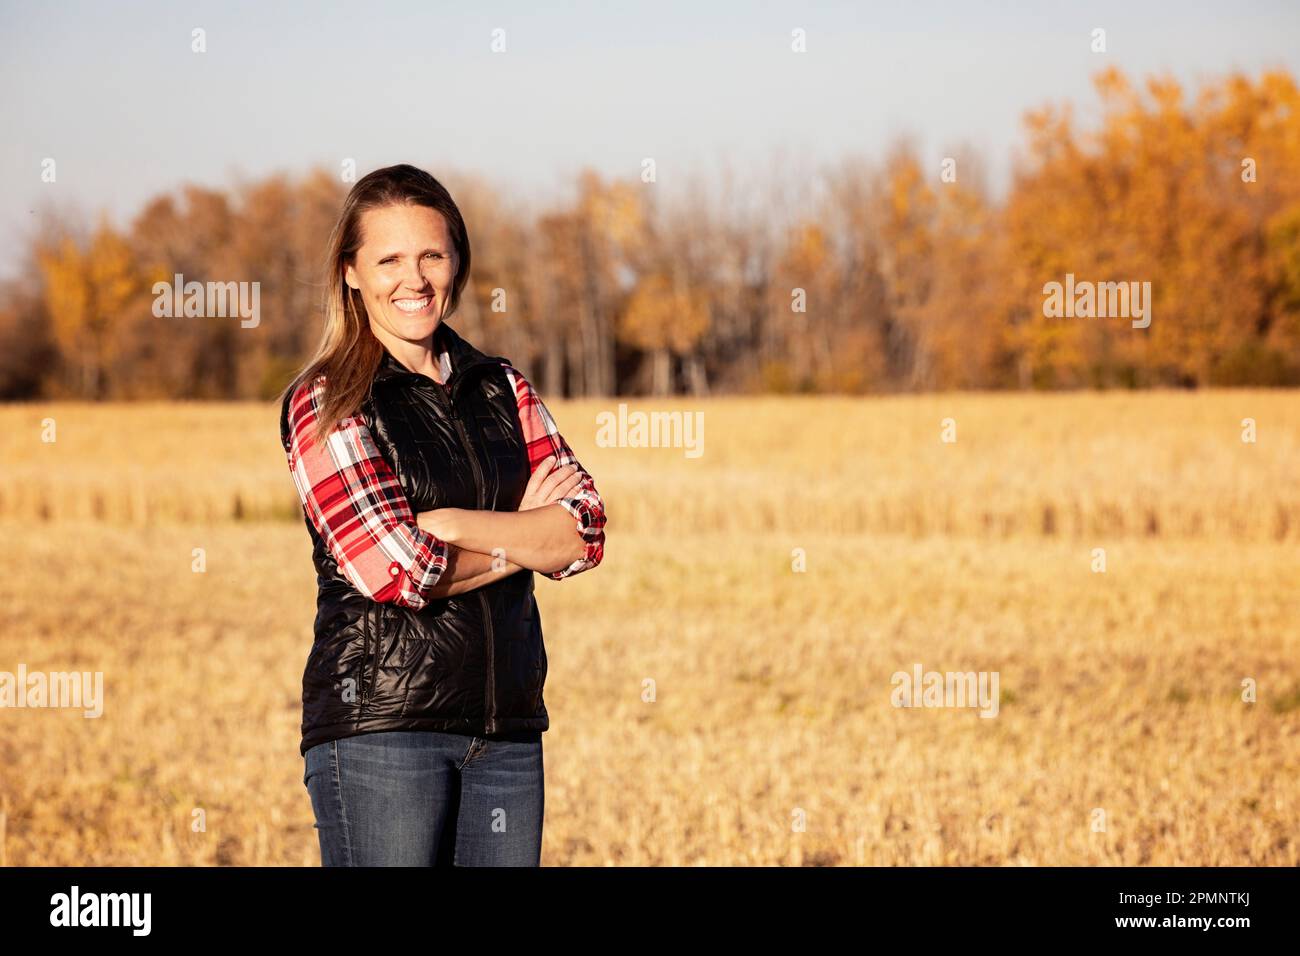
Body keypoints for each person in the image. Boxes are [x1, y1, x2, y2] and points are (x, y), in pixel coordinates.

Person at [276, 163, 607, 866]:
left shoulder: (501, 386)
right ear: (351, 273)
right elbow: (399, 570)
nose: (414, 278)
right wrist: (526, 537)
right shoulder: (328, 400)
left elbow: (583, 530)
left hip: (508, 730)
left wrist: (456, 523)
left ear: (457, 260)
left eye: (431, 254)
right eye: (389, 259)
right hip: (384, 730)